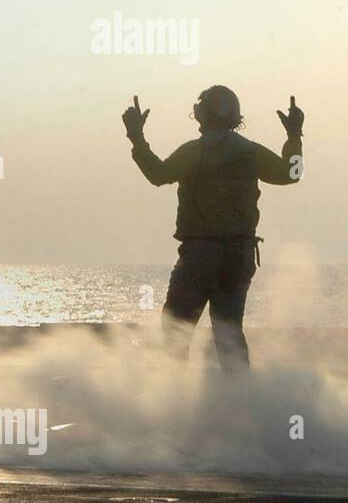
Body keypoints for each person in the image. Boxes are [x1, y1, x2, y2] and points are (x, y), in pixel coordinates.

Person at [122, 88, 303, 374]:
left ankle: (173, 399)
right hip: (238, 257)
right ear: (235, 116)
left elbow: (158, 174)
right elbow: (291, 174)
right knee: (229, 337)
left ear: (200, 114)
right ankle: (243, 403)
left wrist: (136, 137)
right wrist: (294, 136)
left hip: (199, 257)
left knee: (175, 331)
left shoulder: (195, 151)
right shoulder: (251, 152)